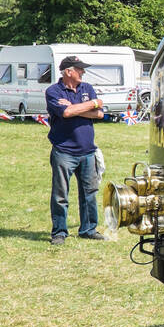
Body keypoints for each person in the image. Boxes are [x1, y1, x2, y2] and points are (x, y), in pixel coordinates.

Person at [45, 55, 107, 245]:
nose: (83, 72)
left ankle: (88, 229)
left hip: (88, 150)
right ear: (68, 71)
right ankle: (59, 232)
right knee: (60, 194)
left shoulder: (87, 88)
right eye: (79, 69)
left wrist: (78, 107)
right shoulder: (53, 91)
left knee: (90, 193)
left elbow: (100, 112)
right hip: (64, 151)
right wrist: (88, 106)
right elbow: (66, 113)